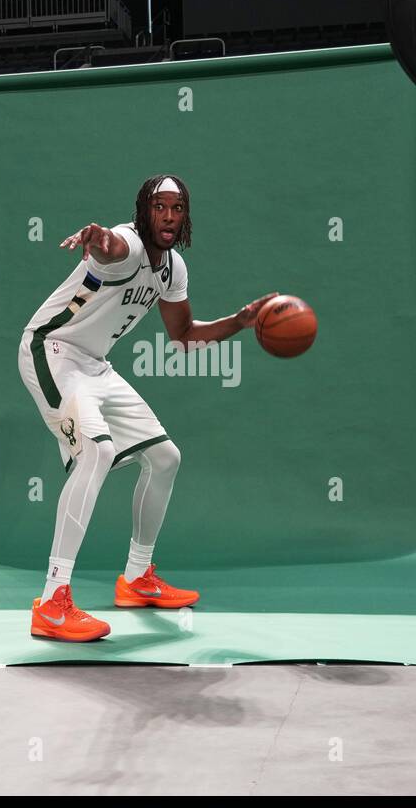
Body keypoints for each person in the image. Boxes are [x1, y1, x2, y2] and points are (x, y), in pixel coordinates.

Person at [18, 174, 275, 641]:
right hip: (51, 352)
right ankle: (53, 602)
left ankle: (137, 578)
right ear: (144, 211)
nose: (169, 216)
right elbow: (110, 247)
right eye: (160, 207)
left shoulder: (172, 268)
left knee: (165, 458)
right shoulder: (129, 246)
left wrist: (240, 321)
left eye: (177, 208)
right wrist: (96, 238)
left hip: (94, 365)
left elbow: (184, 335)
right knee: (95, 453)